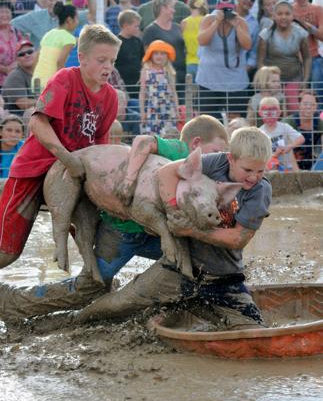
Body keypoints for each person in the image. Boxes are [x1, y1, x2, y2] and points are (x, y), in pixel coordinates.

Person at [0, 115, 229, 320]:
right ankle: (15, 302)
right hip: (120, 231)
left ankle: (172, 305)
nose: (218, 160)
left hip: (149, 233)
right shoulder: (177, 151)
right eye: (216, 151)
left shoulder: (205, 178)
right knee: (91, 285)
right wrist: (129, 180)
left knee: (199, 261)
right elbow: (142, 142)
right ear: (196, 144)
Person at [74, 126, 273, 329]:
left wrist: (190, 231)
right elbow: (166, 172)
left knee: (252, 328)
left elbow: (238, 238)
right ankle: (76, 320)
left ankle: (173, 309)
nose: (253, 177)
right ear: (231, 159)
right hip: (178, 268)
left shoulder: (260, 191)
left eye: (261, 171)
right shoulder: (215, 162)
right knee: (121, 303)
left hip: (222, 277)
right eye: (248, 170)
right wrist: (173, 211)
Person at [0, 24, 119, 271]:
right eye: (101, 60)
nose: (108, 67)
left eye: (112, 60)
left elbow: (101, 142)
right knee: (6, 252)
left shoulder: (110, 97)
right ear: (82, 57)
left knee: (95, 244)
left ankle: (93, 284)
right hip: (35, 167)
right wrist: (65, 156)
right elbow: (36, 121)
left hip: (76, 174)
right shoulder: (65, 79)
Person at [196, 0, 251, 119]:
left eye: (229, 9)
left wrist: (236, 26)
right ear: (216, 9)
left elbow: (247, 45)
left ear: (234, 8)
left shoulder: (240, 22)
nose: (226, 12)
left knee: (236, 120)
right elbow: (201, 41)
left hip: (235, 82)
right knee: (208, 120)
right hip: (209, 81)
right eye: (223, 9)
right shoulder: (208, 19)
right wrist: (216, 22)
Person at [258, 0, 311, 113]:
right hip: (272, 82)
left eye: (287, 14)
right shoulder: (266, 35)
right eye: (280, 14)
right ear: (274, 16)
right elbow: (260, 61)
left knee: (293, 110)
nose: (283, 17)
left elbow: (307, 57)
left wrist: (305, 80)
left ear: (292, 16)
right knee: (274, 112)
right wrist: (264, 83)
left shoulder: (300, 33)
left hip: (294, 78)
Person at [11, 0, 88, 49]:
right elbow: (12, 24)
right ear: (45, 1)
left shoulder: (70, 14)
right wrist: (22, 40)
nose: (54, 3)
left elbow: (91, 14)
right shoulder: (35, 16)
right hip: (40, 62)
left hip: (63, 61)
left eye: (57, 0)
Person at [142, 0, 186, 96]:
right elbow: (147, 57)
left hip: (181, 76)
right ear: (163, 8)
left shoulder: (177, 27)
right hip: (162, 79)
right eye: (171, 7)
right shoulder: (150, 30)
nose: (174, 11)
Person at [32, 2, 79, 91]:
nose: (77, 22)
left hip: (37, 81)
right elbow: (60, 62)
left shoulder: (48, 34)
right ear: (69, 20)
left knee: (42, 105)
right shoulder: (69, 38)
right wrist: (62, 84)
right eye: (77, 18)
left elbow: (36, 57)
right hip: (51, 84)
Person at [292, 0, 323, 111]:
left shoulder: (318, 9)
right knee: (296, 98)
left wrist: (305, 26)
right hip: (295, 60)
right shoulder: (289, 10)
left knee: (317, 96)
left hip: (314, 56)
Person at [139, 40, 178, 136]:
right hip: (153, 110)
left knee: (168, 135)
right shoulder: (146, 71)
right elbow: (142, 92)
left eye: (162, 54)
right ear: (151, 55)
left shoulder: (168, 71)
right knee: (153, 136)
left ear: (166, 56)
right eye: (156, 53)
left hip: (168, 110)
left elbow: (174, 92)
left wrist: (176, 110)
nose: (159, 56)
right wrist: (142, 111)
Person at [259, 96, 304, 172]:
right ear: (260, 113)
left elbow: (301, 138)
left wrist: (289, 146)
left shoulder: (284, 127)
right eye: (266, 113)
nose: (269, 116)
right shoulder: (260, 132)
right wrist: (275, 155)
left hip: (288, 168)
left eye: (273, 113)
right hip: (269, 169)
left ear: (279, 113)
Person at [283, 89, 323, 170]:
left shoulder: (319, 123)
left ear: (316, 106)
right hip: (290, 161)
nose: (308, 107)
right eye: (305, 104)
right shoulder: (288, 122)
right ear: (299, 104)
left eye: (312, 104)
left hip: (313, 161)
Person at [2, 39, 37, 116]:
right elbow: (22, 104)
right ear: (17, 59)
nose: (27, 55)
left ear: (36, 53)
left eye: (30, 52)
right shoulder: (15, 76)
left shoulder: (40, 73)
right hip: (15, 120)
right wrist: (46, 102)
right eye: (22, 54)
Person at [115, 9, 144, 99]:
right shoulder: (115, 43)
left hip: (137, 84)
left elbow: (143, 61)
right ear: (126, 26)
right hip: (123, 85)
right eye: (136, 26)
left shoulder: (138, 41)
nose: (138, 29)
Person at [181, 0, 208, 82]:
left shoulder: (184, 22)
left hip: (189, 62)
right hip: (205, 61)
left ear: (189, 5)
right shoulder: (207, 20)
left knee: (190, 93)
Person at [0, 0, 22, 89]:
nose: (4, 15)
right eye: (1, 12)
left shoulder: (16, 31)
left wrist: (17, 63)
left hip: (14, 79)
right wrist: (6, 69)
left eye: (7, 12)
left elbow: (22, 50)